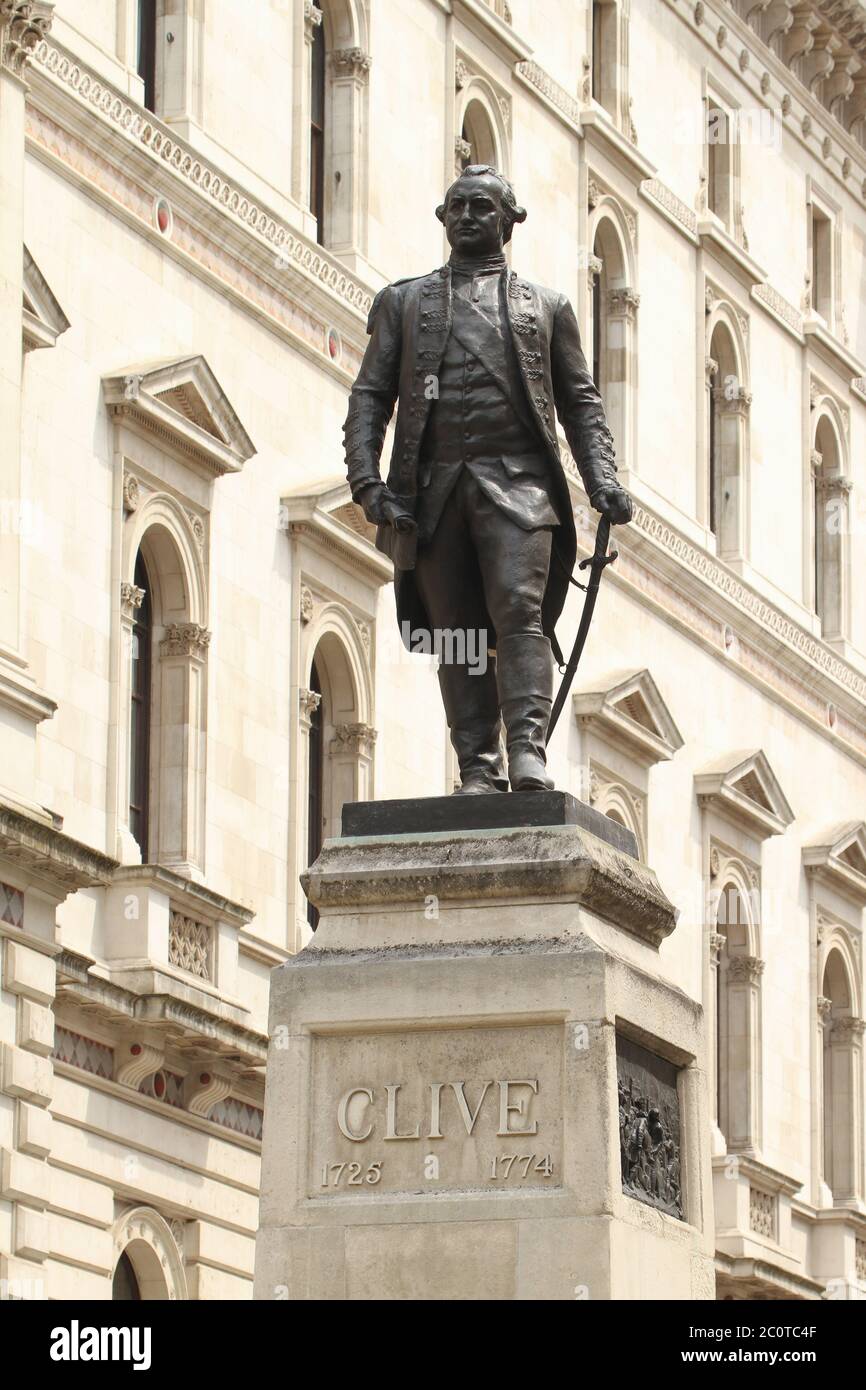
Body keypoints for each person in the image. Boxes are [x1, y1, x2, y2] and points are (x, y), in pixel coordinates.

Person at [344, 165, 632, 793]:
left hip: (522, 488)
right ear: (443, 220)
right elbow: (371, 395)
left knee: (520, 613)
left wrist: (602, 479)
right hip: (434, 491)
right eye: (457, 207)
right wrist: (367, 482)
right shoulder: (404, 302)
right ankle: (478, 766)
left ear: (509, 221)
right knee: (459, 633)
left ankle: (527, 748)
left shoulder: (549, 308)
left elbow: (581, 403)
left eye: (482, 206)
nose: (468, 216)